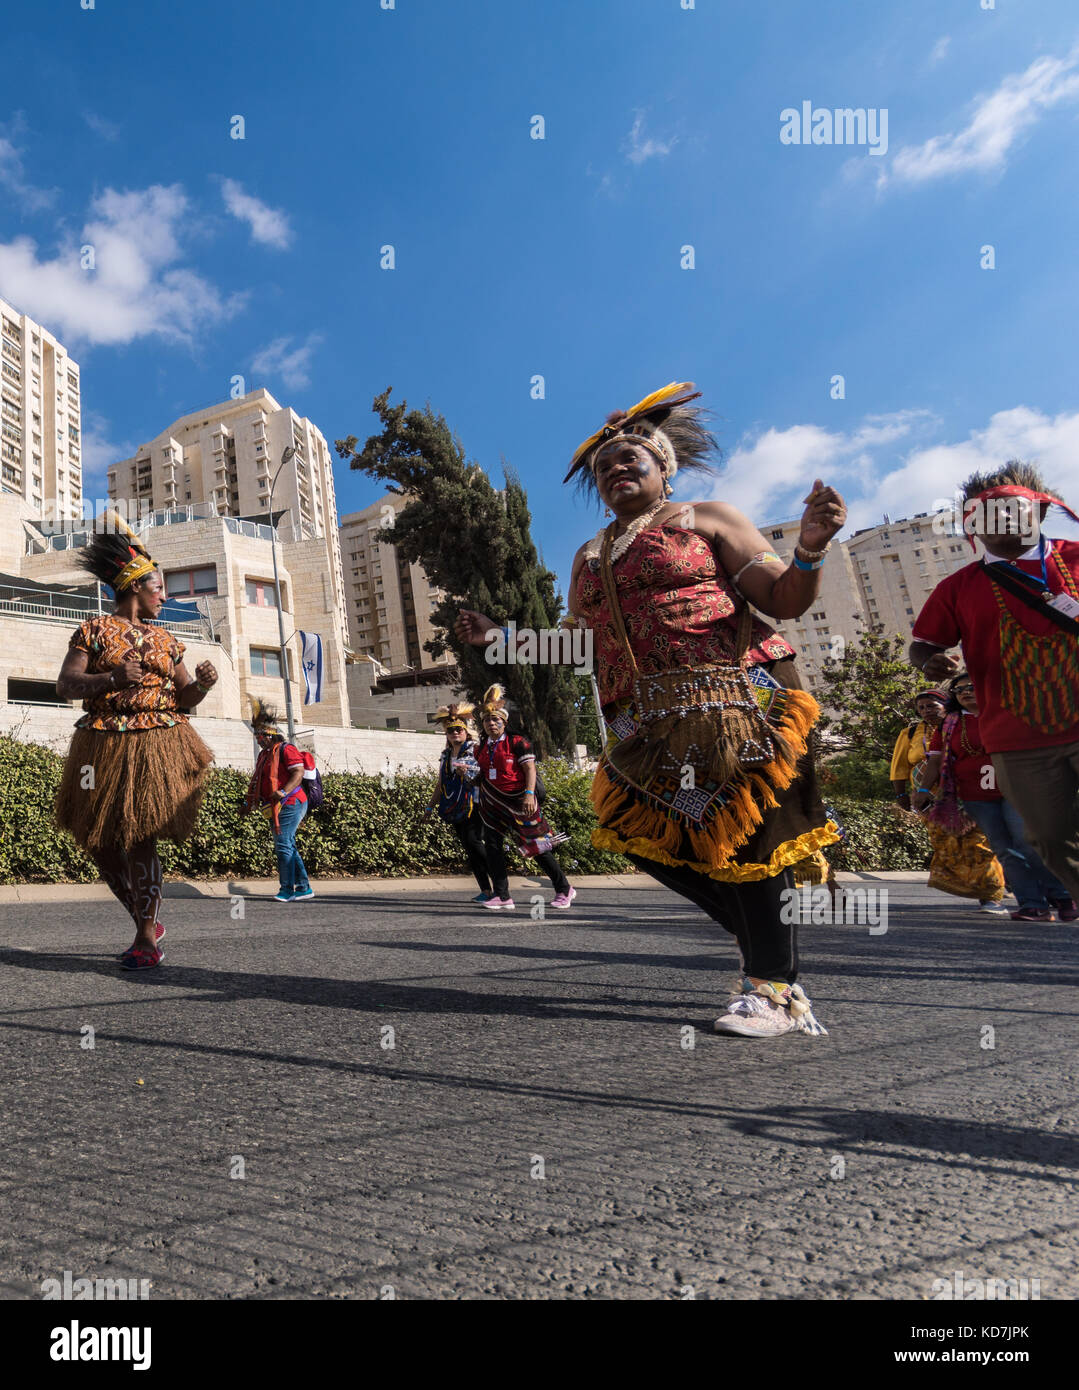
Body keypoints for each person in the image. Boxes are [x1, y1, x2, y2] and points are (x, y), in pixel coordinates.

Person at [456, 381, 843, 1038]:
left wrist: (808, 547)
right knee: (630, 829)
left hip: (730, 705)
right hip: (643, 727)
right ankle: (764, 941)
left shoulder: (710, 518)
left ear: (664, 466)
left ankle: (773, 990)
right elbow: (581, 645)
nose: (614, 468)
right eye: (603, 466)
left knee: (742, 840)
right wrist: (504, 637)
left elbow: (782, 599)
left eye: (630, 456)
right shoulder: (588, 555)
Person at [910, 460, 1079, 907]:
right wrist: (930, 662)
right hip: (1017, 739)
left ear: (1039, 513)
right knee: (1048, 838)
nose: (1000, 520)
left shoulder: (1077, 557)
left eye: (1012, 509)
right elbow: (922, 646)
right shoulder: (956, 587)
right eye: (986, 513)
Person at [54, 513, 217, 969]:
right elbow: (66, 686)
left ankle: (146, 936)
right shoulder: (93, 630)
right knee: (98, 840)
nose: (164, 596)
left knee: (142, 834)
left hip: (158, 742)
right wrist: (109, 678)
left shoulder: (167, 640)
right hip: (100, 745)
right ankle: (142, 916)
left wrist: (201, 685)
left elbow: (185, 700)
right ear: (134, 587)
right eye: (159, 588)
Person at [914, 673, 1077, 921]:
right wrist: (923, 790)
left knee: (1028, 844)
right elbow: (936, 760)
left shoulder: (1011, 715)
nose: (966, 692)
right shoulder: (950, 724)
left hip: (1017, 793)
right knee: (1005, 851)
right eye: (959, 690)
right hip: (976, 797)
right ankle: (1033, 906)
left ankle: (1064, 896)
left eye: (972, 686)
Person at [464, 684, 574, 911]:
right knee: (493, 847)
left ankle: (564, 889)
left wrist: (529, 794)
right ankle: (502, 896)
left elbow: (530, 770)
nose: (491, 724)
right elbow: (480, 777)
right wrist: (467, 774)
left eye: (496, 720)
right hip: (492, 806)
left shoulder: (518, 742)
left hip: (521, 802)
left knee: (537, 846)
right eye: (487, 720)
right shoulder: (480, 747)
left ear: (504, 722)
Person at [241, 698, 313, 902]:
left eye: (259, 735)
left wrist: (283, 791)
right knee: (288, 844)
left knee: (283, 845)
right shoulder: (264, 755)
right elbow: (258, 782)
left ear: (269, 735)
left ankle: (287, 890)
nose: (257, 739)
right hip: (275, 806)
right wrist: (249, 804)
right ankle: (304, 887)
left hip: (291, 802)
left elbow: (298, 772)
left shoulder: (286, 749)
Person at [423, 700, 493, 902]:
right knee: (470, 848)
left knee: (474, 842)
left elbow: (483, 775)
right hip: (454, 806)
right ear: (446, 734)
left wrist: (469, 773)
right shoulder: (446, 755)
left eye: (458, 730)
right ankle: (486, 891)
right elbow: (440, 784)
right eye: (451, 730)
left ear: (465, 732)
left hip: (474, 805)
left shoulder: (476, 750)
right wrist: (429, 807)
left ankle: (499, 883)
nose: (455, 733)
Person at [890, 690, 947, 810]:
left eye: (931, 706)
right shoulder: (909, 733)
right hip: (924, 796)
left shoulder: (957, 726)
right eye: (921, 708)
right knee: (935, 828)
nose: (926, 710)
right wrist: (901, 794)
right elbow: (899, 767)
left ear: (945, 706)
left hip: (958, 790)